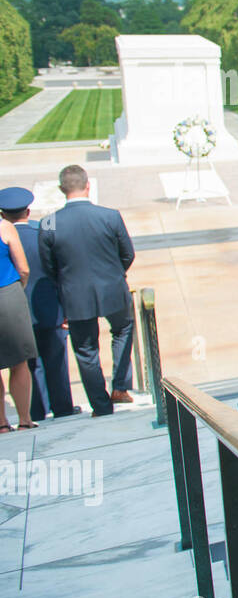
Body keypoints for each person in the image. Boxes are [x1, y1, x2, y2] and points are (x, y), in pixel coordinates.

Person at [38, 165, 136, 418]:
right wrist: (114, 274)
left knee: (86, 350)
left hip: (75, 295)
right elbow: (128, 254)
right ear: (88, 185)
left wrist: (66, 285)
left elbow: (49, 267)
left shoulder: (48, 223)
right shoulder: (110, 215)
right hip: (113, 289)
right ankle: (121, 388)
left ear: (62, 189)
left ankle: (101, 406)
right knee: (123, 330)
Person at [1, 187, 78, 420]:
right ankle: (63, 408)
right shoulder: (44, 229)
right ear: (28, 210)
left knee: (28, 364)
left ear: (3, 214)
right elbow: (62, 270)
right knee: (56, 359)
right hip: (48, 305)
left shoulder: (5, 233)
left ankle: (36, 411)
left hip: (14, 310)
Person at [0, 189, 37, 432]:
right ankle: (24, 419)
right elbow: (23, 268)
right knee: (19, 361)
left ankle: (2, 423)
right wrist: (18, 288)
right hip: (7, 293)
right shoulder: (5, 227)